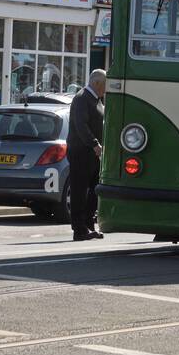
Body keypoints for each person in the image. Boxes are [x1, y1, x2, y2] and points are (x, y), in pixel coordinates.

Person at [67, 69, 106, 242]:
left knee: (95, 188)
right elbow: (81, 125)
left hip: (93, 154)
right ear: (97, 83)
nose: (106, 89)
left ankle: (89, 223)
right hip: (81, 152)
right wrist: (94, 143)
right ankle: (79, 229)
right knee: (79, 190)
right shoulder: (82, 98)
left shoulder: (96, 100)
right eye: (105, 85)